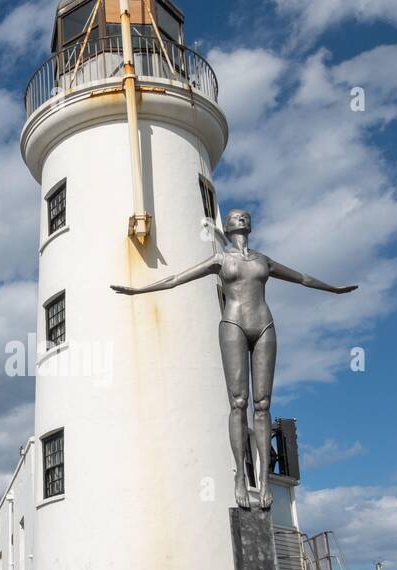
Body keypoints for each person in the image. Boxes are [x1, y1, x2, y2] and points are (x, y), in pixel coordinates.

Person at [112, 209, 357, 510]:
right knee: (238, 402)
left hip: (264, 325)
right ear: (225, 226)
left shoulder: (262, 260)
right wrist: (138, 290)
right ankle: (240, 476)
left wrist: (334, 289)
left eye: (245, 216)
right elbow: (177, 278)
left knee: (263, 404)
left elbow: (302, 278)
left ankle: (264, 479)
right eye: (235, 216)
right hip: (233, 324)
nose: (242, 218)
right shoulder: (221, 259)